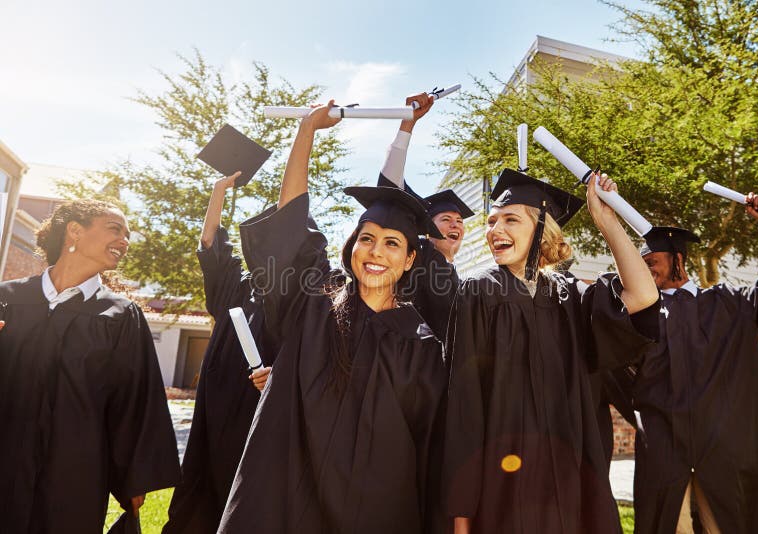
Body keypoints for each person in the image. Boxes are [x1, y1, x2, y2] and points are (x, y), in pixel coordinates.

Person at [217, 101, 448, 533]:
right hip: (286, 499)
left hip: (375, 512)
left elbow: (429, 443)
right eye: (367, 238)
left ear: (410, 259)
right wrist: (306, 130)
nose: (376, 252)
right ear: (352, 246)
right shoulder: (313, 305)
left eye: (392, 243)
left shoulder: (421, 345)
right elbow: (291, 225)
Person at [442, 168, 660, 534]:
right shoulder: (478, 291)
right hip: (503, 485)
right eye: (492, 221)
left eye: (511, 219)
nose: (495, 230)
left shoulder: (569, 295)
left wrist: (607, 222)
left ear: (542, 228)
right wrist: (462, 517)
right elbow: (463, 406)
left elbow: (643, 295)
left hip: (570, 480)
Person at [0, 199, 180, 532]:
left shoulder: (120, 315)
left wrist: (133, 477)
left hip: (75, 470)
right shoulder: (8, 299)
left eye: (127, 235)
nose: (124, 241)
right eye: (115, 229)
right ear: (75, 231)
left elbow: (135, 399)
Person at [632, 193, 758, 534]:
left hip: (727, 453)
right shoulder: (639, 318)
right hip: (665, 452)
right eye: (641, 263)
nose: (645, 268)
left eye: (652, 261)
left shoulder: (732, 305)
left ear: (679, 258)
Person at [162, 171, 275, 533]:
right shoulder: (237, 283)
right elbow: (210, 244)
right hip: (216, 404)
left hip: (257, 408)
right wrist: (218, 192)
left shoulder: (308, 296)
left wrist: (279, 376)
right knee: (201, 489)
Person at [377, 91, 475, 340]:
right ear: (429, 229)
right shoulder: (418, 255)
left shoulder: (453, 274)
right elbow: (390, 191)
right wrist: (407, 124)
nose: (455, 225)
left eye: (459, 221)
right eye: (446, 220)